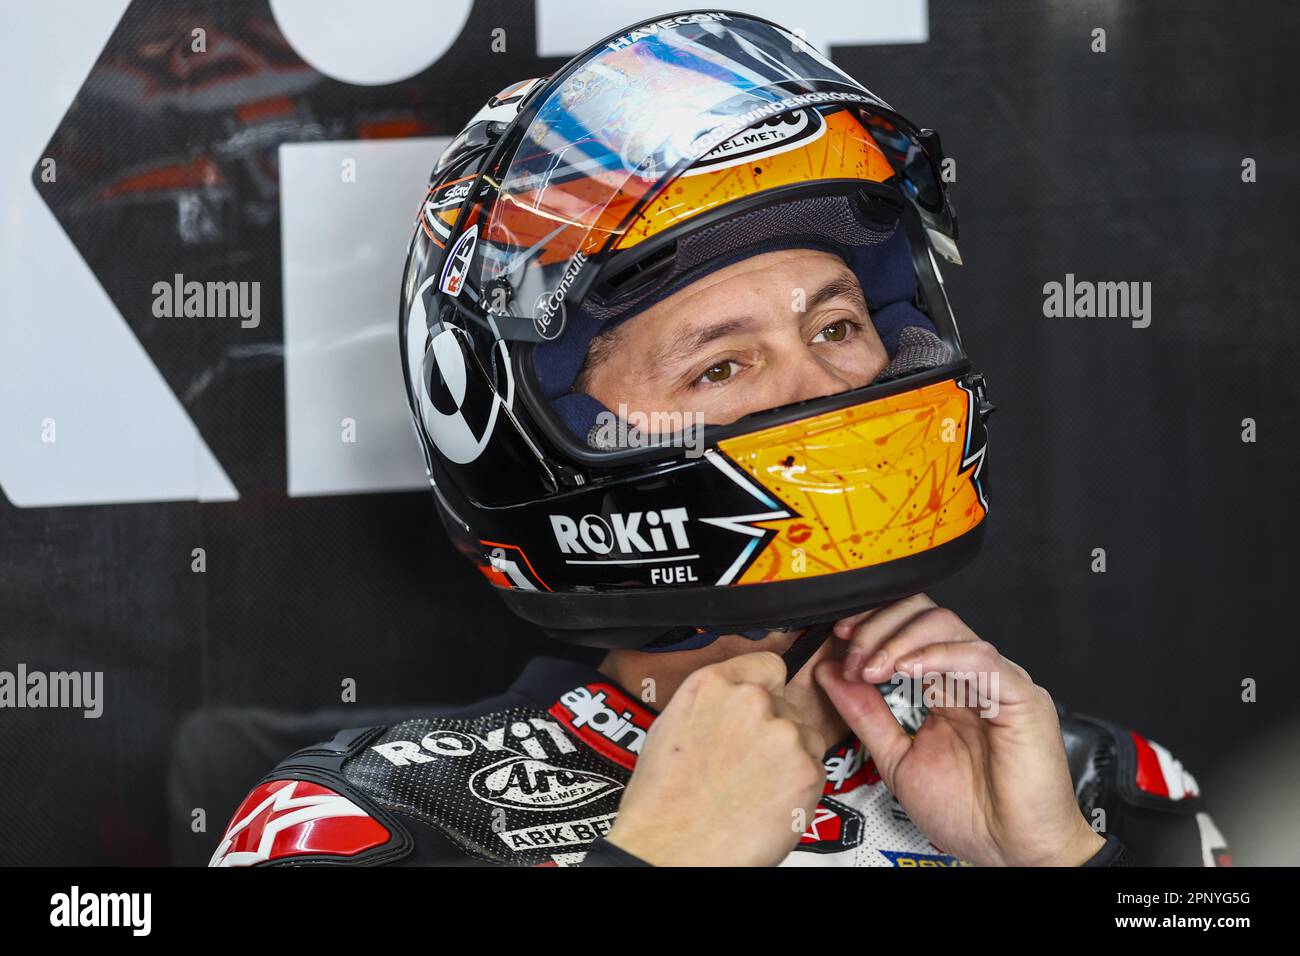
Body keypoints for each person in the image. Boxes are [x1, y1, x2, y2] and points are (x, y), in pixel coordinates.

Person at [210, 11, 1229, 868]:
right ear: (543, 431)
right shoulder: (371, 827)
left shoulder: (1100, 781)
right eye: (721, 364)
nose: (822, 380)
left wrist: (1055, 860)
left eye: (836, 324)